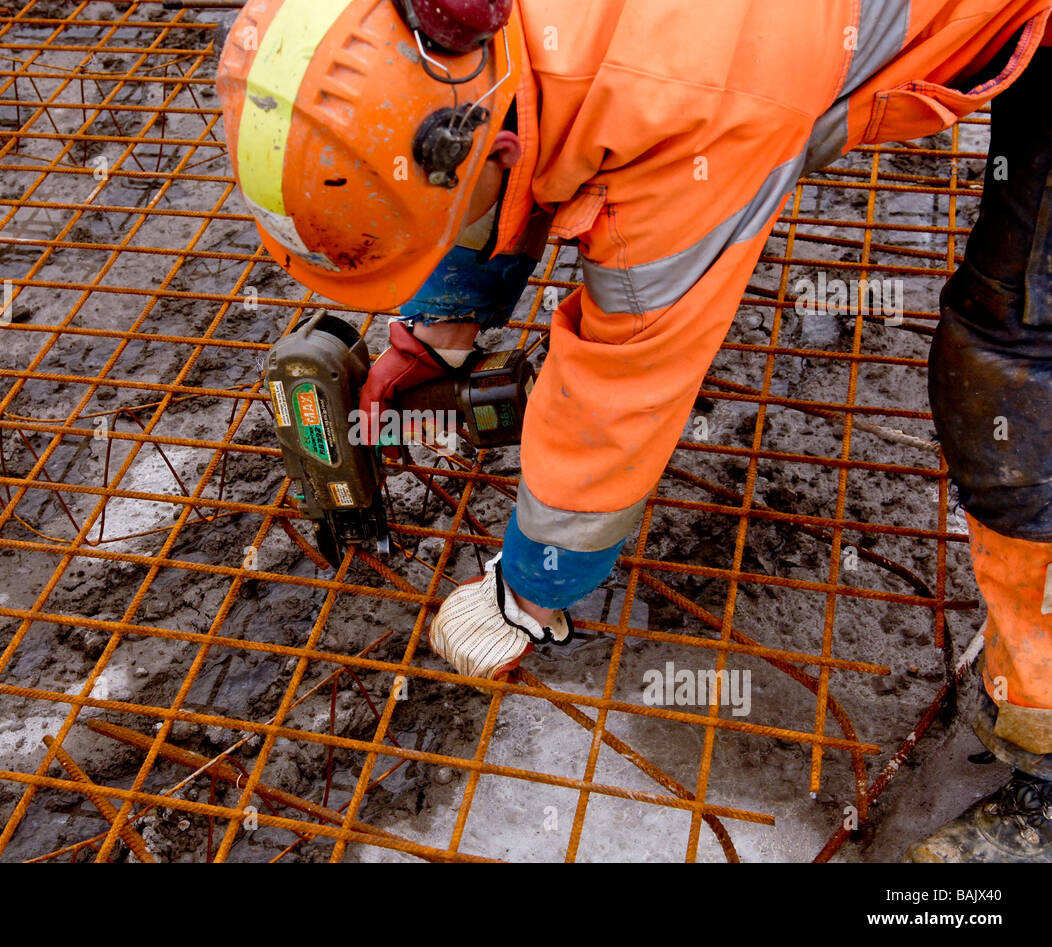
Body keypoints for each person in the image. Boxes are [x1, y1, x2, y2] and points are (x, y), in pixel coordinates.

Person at [217, 0, 1052, 861]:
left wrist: (534, 586)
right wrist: (443, 322)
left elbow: (626, 380)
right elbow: (514, 122)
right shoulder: (469, 40)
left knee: (1015, 362)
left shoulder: (687, 104)